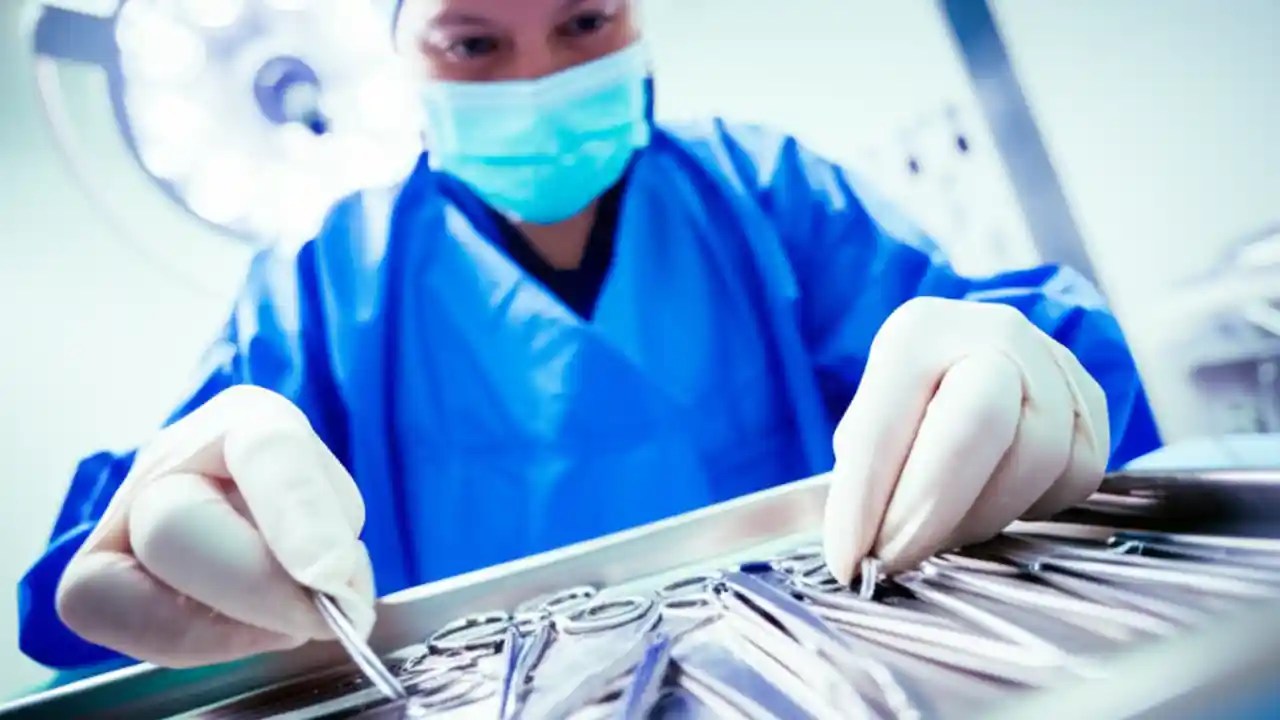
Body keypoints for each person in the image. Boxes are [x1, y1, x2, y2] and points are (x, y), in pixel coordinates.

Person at [18, 0, 1160, 671]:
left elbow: (1036, 375)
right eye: (472, 43)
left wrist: (1028, 368)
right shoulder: (325, 281)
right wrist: (136, 526)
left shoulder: (766, 193)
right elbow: (108, 571)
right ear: (403, 61)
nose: (538, 76)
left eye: (581, 18)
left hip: (821, 680)